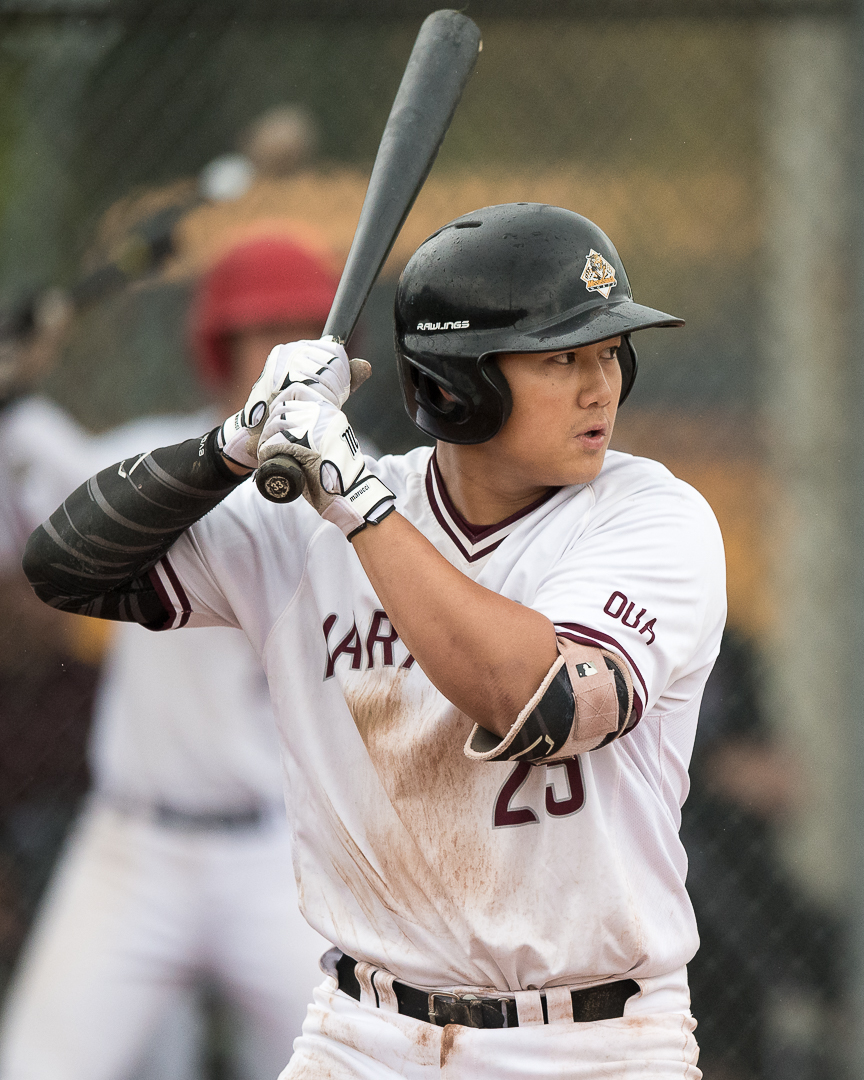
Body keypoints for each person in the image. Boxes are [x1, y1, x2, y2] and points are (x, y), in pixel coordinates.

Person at [21, 202, 726, 1079]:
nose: (601, 386)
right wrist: (233, 445)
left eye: (608, 352)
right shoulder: (318, 518)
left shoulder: (653, 518)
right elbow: (66, 566)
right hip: (364, 1036)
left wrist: (357, 500)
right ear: (455, 386)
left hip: (594, 1043)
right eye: (560, 359)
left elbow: (538, 701)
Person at [0, 235, 336, 1080]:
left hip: (279, 858)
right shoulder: (158, 458)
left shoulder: (363, 496)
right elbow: (58, 496)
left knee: (353, 1067)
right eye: (265, 334)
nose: (285, 357)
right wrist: (14, 393)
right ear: (220, 350)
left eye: (305, 333)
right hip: (134, 847)